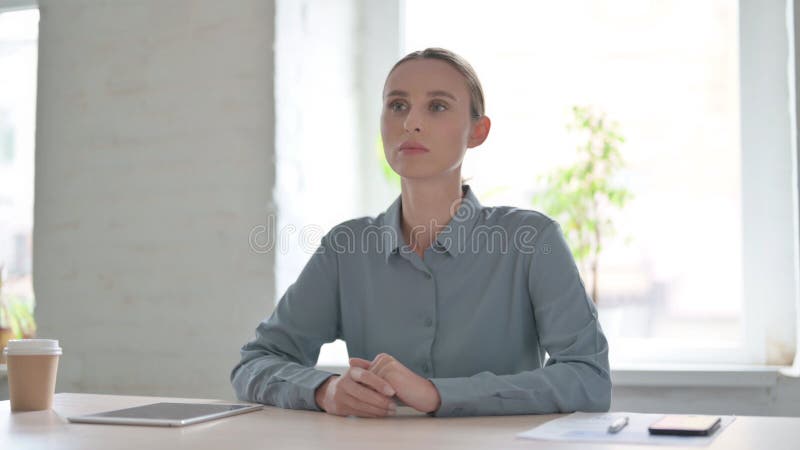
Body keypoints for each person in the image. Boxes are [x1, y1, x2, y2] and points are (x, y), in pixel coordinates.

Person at [231, 48, 611, 418]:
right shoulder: (345, 250)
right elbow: (256, 363)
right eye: (397, 105)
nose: (411, 122)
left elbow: (589, 379)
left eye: (438, 106)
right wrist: (325, 391)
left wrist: (436, 394)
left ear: (478, 131)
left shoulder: (533, 240)